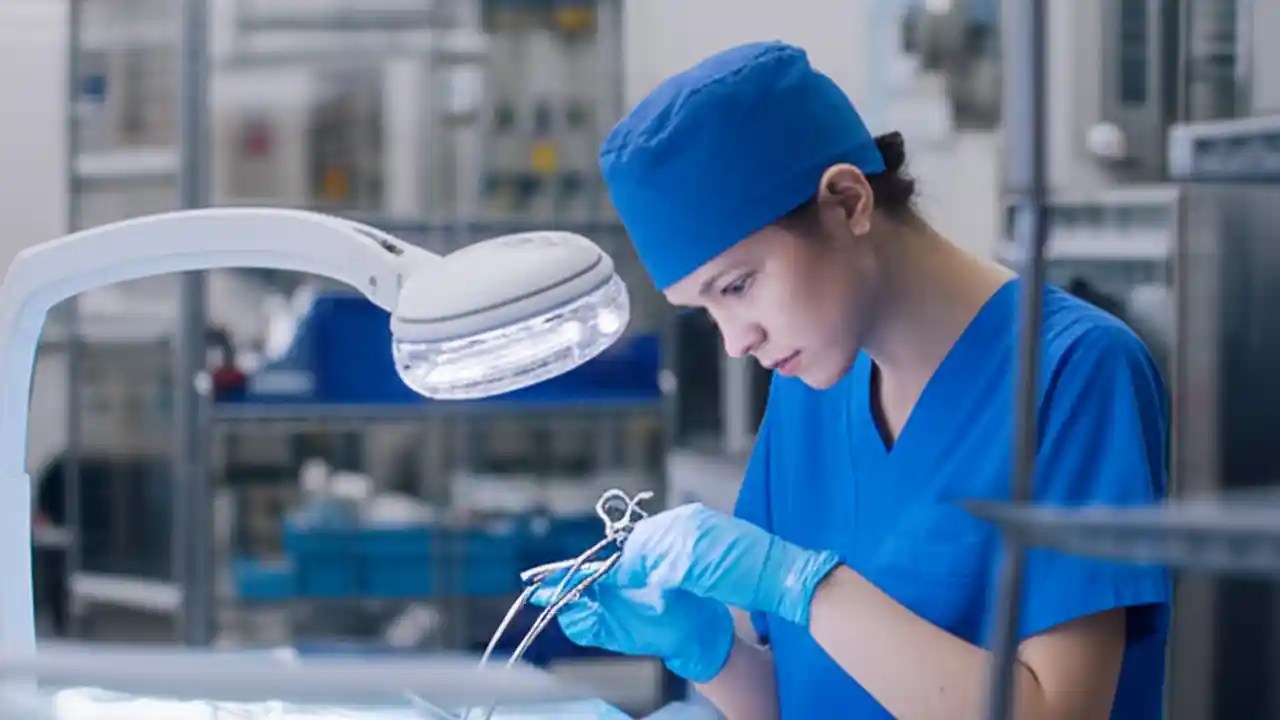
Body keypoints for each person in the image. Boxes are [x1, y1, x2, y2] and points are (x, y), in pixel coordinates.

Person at [532, 41, 1171, 719]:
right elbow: (797, 700)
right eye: (706, 309)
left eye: (739, 286)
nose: (734, 339)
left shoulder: (1074, 372)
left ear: (847, 200)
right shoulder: (810, 386)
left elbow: (1058, 713)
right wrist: (710, 653)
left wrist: (807, 587)